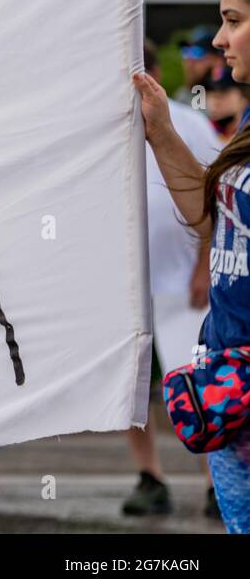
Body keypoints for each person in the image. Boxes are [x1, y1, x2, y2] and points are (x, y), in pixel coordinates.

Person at [135, 0, 250, 533]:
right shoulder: (248, 122)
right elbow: (210, 217)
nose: (221, 41)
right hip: (231, 385)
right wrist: (159, 130)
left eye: (234, 20)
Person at [122, 40, 222, 518]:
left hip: (182, 284)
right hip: (125, 285)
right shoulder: (102, 126)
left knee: (200, 385)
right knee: (132, 390)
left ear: (155, 72)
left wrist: (204, 265)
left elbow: (213, 195)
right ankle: (150, 476)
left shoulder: (191, 122)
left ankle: (215, 482)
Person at [176, 25, 224, 108]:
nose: (189, 61)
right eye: (186, 52)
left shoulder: (233, 97)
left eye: (197, 53)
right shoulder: (182, 96)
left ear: (217, 60)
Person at [206, 68, 250, 143]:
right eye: (211, 94)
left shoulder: (245, 133)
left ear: (243, 97)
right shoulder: (207, 128)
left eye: (223, 94)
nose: (215, 102)